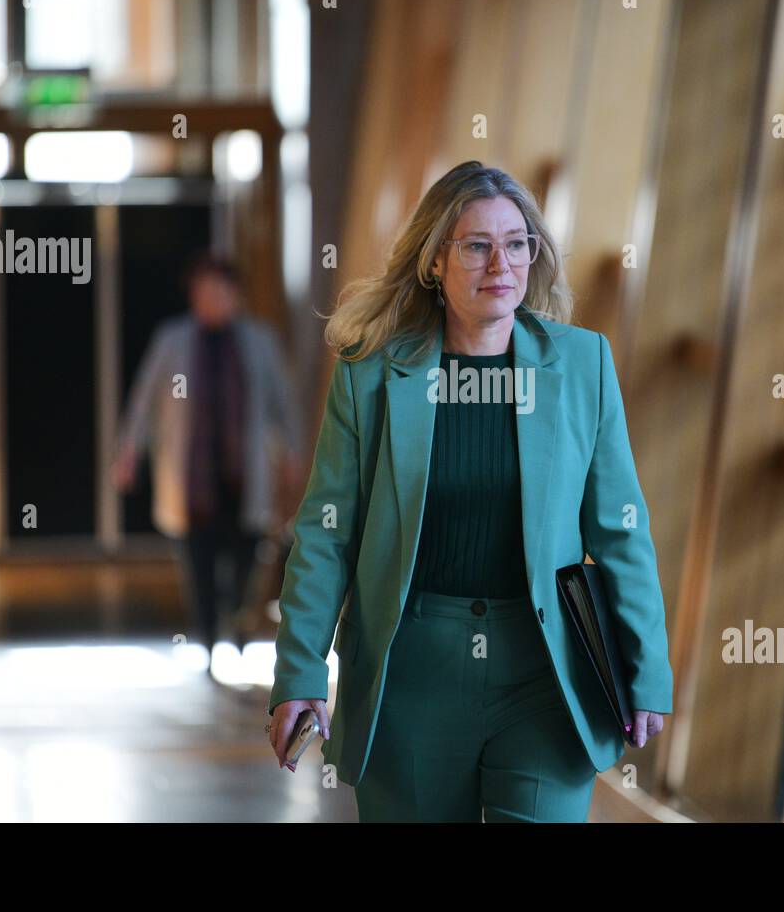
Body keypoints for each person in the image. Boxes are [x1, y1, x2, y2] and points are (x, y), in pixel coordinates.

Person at [267, 161, 674, 822]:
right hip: (413, 673)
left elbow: (622, 530)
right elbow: (326, 532)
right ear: (435, 263)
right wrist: (300, 672)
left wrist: (647, 669)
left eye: (516, 244)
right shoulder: (371, 377)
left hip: (546, 670)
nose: (501, 265)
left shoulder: (580, 365)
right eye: (477, 246)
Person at [112, 252, 305, 660]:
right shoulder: (173, 339)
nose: (213, 299)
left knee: (244, 555)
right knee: (197, 559)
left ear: (235, 296)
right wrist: (130, 452)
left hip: (242, 471)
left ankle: (235, 622)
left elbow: (281, 401)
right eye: (204, 292)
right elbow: (144, 400)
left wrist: (291, 450)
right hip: (190, 475)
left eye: (221, 291)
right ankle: (206, 635)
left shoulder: (258, 340)